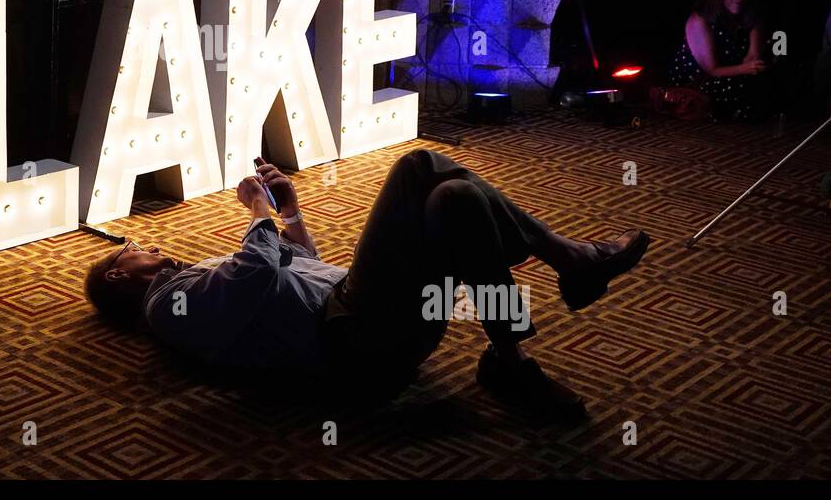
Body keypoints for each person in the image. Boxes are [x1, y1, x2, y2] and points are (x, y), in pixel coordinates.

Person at [84, 151, 650, 423]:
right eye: (137, 250)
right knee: (417, 167)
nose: (150, 246)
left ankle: (510, 360)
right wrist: (256, 210)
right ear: (118, 274)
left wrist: (291, 211)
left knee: (455, 200)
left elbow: (300, 269)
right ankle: (570, 259)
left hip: (370, 314)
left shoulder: (194, 285)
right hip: (356, 342)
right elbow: (258, 272)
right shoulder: (166, 307)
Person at [667, 0, 770, 121]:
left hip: (734, 73)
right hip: (699, 80)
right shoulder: (701, 20)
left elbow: (752, 55)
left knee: (765, 82)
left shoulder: (750, 16)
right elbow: (712, 70)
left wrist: (755, 64)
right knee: (737, 90)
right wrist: (746, 69)